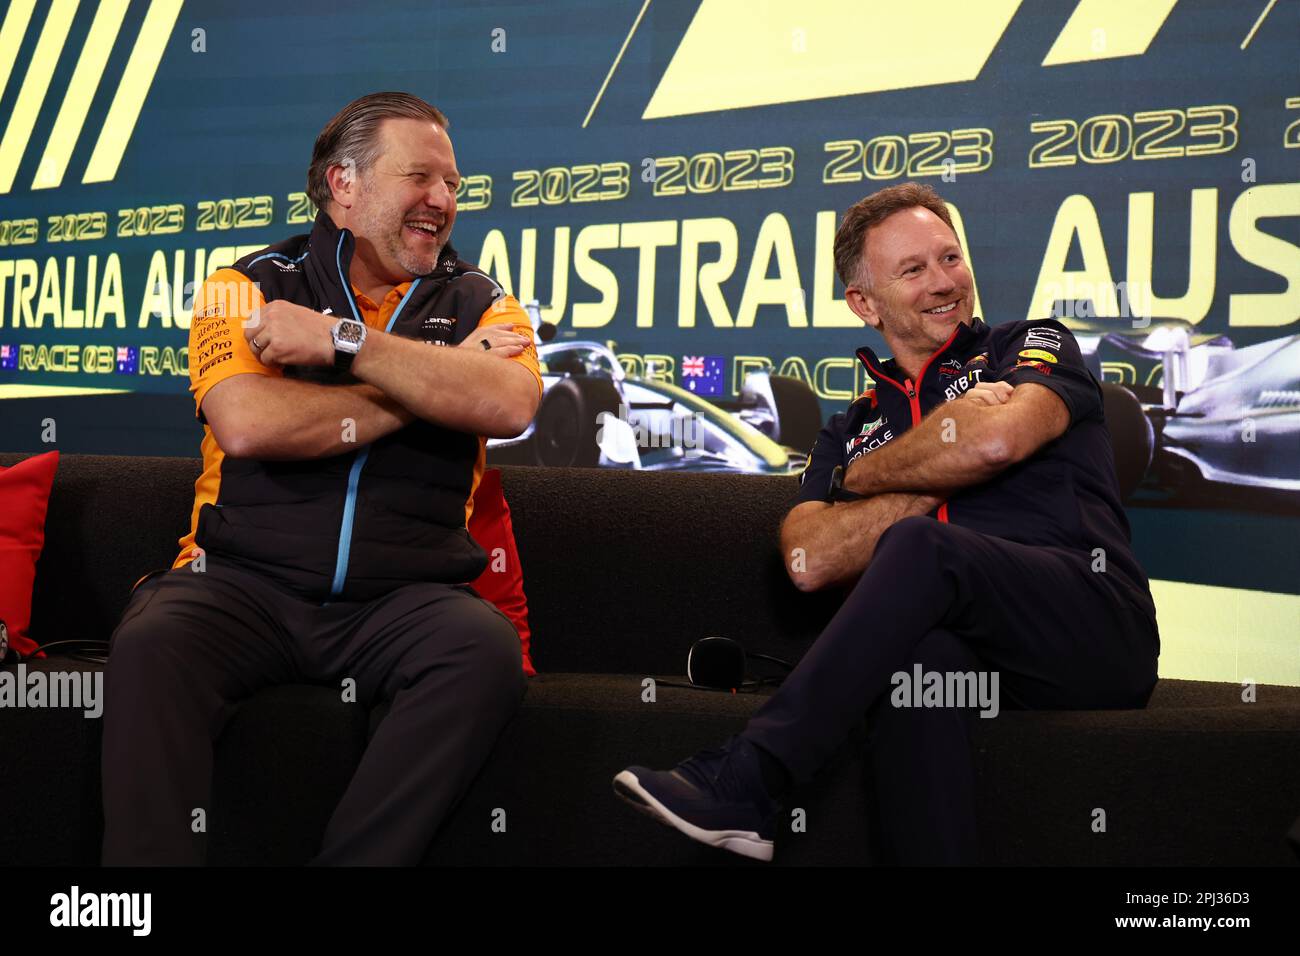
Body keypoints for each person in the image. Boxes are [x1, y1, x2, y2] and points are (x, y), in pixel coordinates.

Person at [613, 182, 1160, 864]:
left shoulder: (1030, 343)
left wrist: (870, 478)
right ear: (864, 303)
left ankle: (754, 779)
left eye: (951, 258)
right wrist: (938, 454)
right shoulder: (848, 428)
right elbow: (809, 560)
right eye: (914, 269)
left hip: (1090, 629)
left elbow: (997, 442)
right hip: (978, 658)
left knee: (922, 547)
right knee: (917, 661)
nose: (944, 283)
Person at [101, 92, 543, 865]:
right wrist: (429, 390)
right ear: (344, 184)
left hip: (405, 598)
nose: (442, 201)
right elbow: (248, 423)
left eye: (453, 184)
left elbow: (508, 401)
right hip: (241, 584)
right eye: (420, 178)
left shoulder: (483, 300)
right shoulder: (240, 285)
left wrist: (344, 344)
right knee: (152, 644)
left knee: (480, 649)